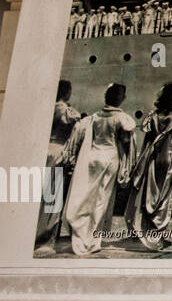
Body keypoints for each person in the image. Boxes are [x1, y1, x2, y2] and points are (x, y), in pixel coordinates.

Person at [61, 83, 136, 256]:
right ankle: (93, 241)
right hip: (110, 159)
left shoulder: (94, 117)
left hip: (91, 158)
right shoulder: (122, 118)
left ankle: (81, 232)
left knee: (86, 197)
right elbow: (125, 144)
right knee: (101, 200)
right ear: (121, 98)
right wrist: (127, 166)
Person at [125, 82, 172, 251]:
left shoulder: (153, 116)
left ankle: (146, 232)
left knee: (149, 195)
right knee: (165, 199)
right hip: (170, 159)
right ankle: (157, 235)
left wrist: (141, 165)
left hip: (153, 159)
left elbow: (147, 142)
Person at [35, 81, 81, 248]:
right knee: (53, 195)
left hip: (43, 150)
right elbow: (75, 121)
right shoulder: (64, 109)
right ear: (66, 92)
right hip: (58, 151)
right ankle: (46, 237)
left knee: (40, 194)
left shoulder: (46, 107)